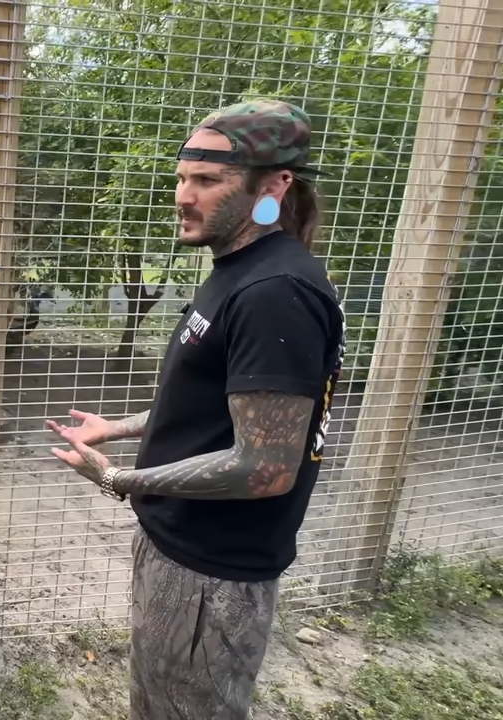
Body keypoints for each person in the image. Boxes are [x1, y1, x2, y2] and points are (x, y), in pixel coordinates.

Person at [48, 100, 346, 719]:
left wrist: (115, 478)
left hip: (216, 574)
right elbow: (211, 405)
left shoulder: (275, 294)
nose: (184, 196)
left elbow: (264, 466)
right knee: (156, 704)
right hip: (179, 548)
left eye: (207, 181)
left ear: (274, 185)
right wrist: (124, 428)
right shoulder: (238, 269)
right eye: (183, 178)